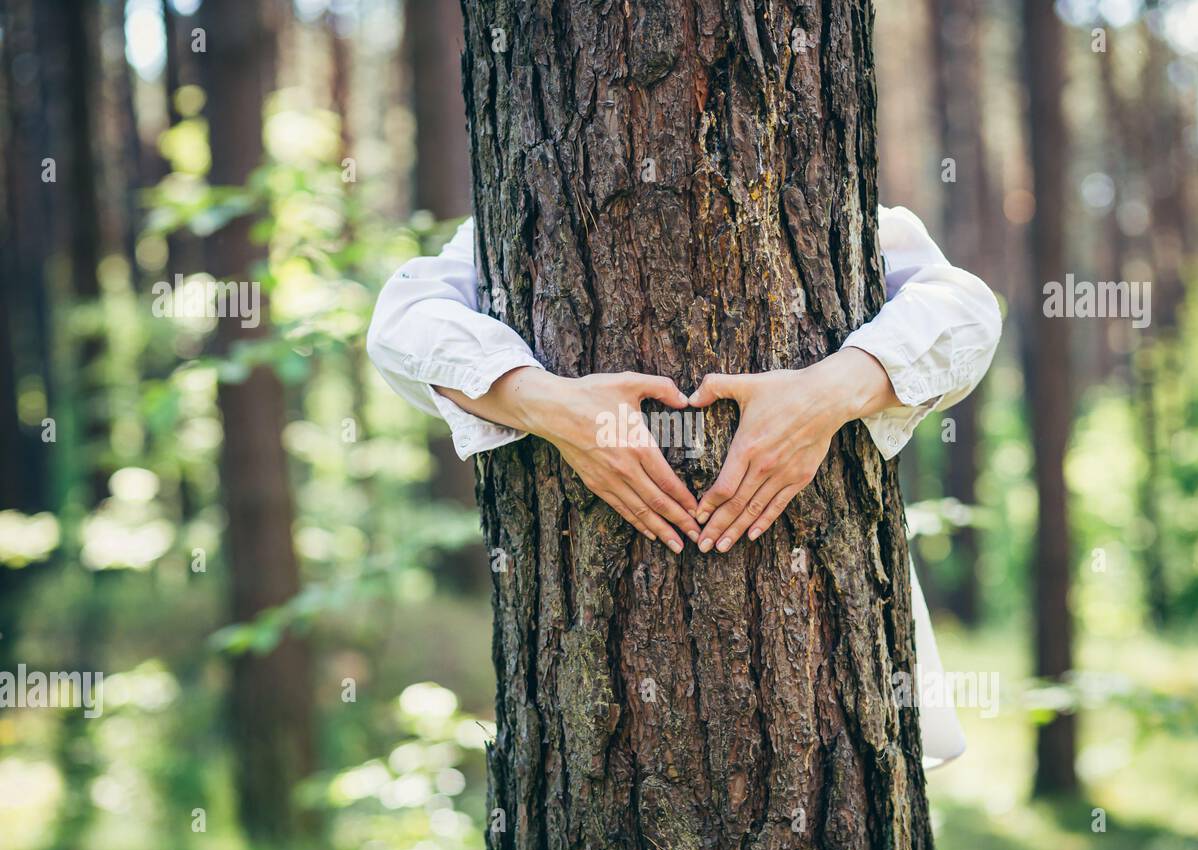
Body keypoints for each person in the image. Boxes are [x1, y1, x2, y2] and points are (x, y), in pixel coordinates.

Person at [368, 205, 1001, 768]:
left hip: (830, 672)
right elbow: (402, 324)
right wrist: (549, 406)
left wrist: (826, 394)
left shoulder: (839, 208)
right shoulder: (514, 218)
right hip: (586, 686)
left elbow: (968, 311)